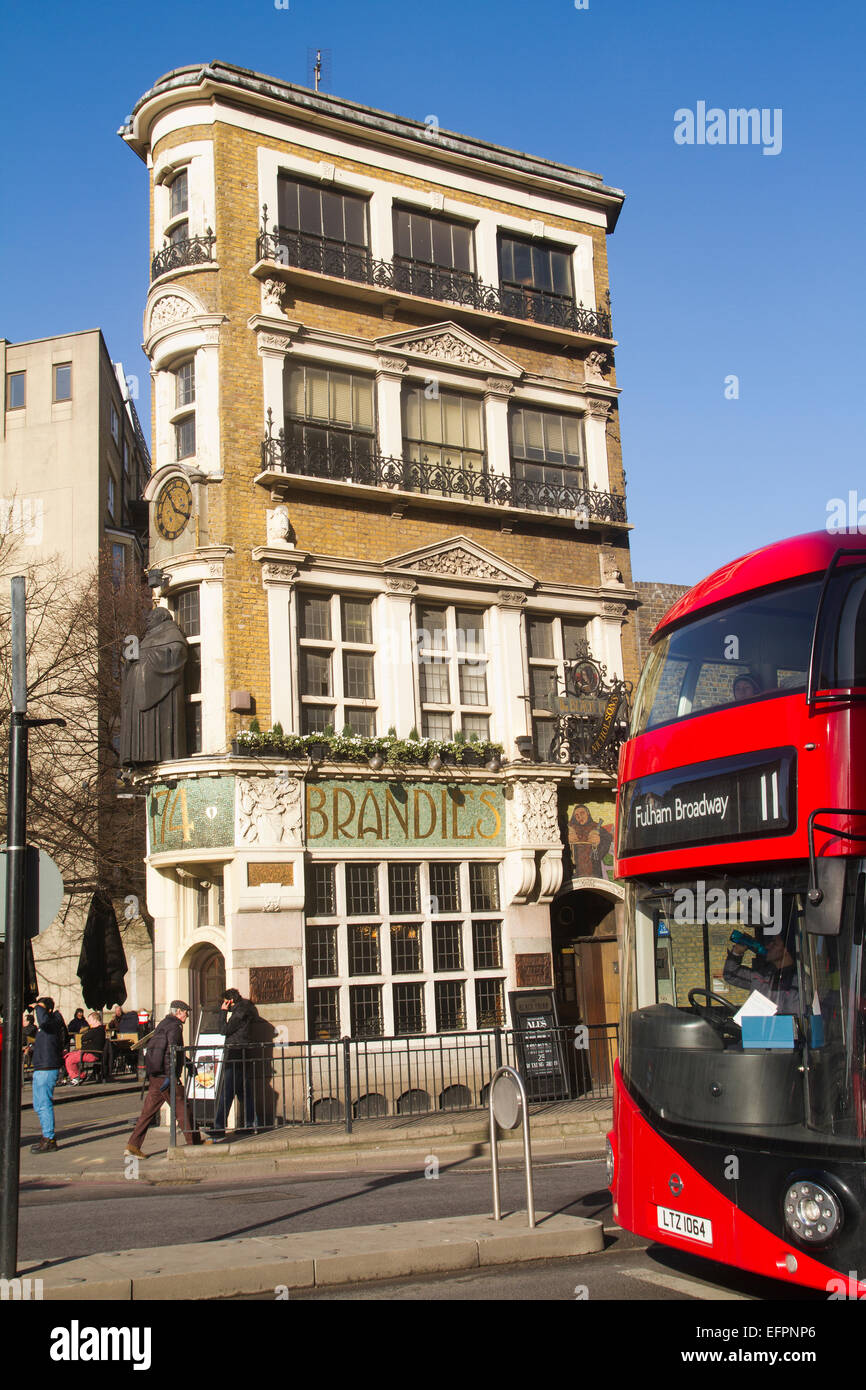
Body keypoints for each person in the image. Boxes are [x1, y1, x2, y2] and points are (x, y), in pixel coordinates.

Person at [125, 1001, 209, 1157]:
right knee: (183, 1108)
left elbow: (172, 1051)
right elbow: (171, 1052)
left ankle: (132, 1146)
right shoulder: (175, 1026)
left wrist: (187, 1062)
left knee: (147, 1113)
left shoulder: (163, 1024)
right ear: (178, 1011)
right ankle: (194, 1144)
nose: (187, 1015)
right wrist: (172, 1076)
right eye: (185, 1012)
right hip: (166, 1076)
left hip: (156, 1076)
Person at [209, 988, 261, 1139]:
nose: (225, 1005)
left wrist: (223, 1012)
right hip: (242, 1052)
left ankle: (219, 1127)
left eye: (225, 1002)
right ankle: (250, 1124)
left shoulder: (239, 1012)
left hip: (235, 1053)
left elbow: (223, 1029)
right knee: (244, 1091)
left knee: (227, 1091)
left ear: (229, 1001)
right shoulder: (245, 1009)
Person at [723, 935, 800, 1014]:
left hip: (775, 1025)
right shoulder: (764, 975)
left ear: (786, 950)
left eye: (774, 944)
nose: (768, 946)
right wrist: (737, 952)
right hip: (757, 1024)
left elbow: (795, 1017)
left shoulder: (798, 980)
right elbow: (731, 975)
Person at [30, 997, 65, 1152]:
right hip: (40, 1067)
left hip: (47, 1068)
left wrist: (38, 1007)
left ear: (48, 1010)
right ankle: (46, 1135)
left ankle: (49, 1139)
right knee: (38, 1105)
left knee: (44, 1104)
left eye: (41, 1008)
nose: (38, 1011)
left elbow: (43, 1020)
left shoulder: (52, 1023)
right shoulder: (48, 1025)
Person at [64, 1011, 107, 1084]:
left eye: (90, 1020)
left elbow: (84, 1037)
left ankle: (77, 1077)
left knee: (69, 1059)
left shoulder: (96, 1030)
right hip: (88, 1052)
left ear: (95, 1020)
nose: (88, 1022)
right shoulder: (100, 1030)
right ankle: (79, 1075)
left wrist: (85, 1043)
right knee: (68, 1056)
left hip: (91, 1054)